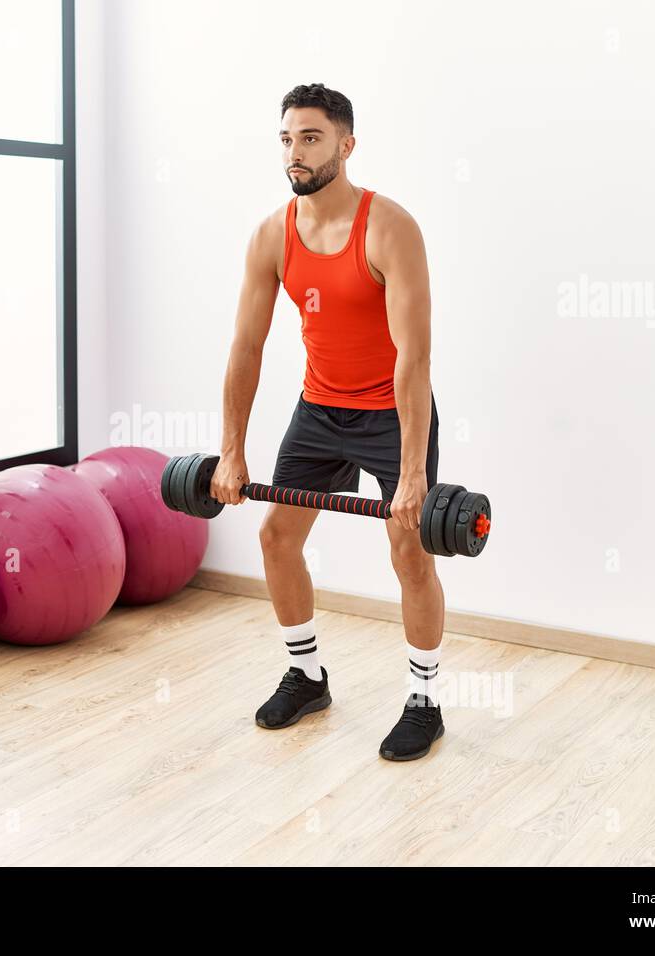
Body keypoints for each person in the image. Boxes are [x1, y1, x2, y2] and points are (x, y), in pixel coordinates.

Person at [211, 83, 444, 761]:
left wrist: (409, 473)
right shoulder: (271, 236)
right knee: (277, 537)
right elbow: (246, 349)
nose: (295, 152)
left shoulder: (388, 227)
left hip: (393, 408)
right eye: (286, 138)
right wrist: (231, 454)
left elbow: (415, 355)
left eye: (310, 137)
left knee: (409, 546)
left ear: (346, 144)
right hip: (319, 408)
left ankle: (424, 701)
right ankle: (308, 675)